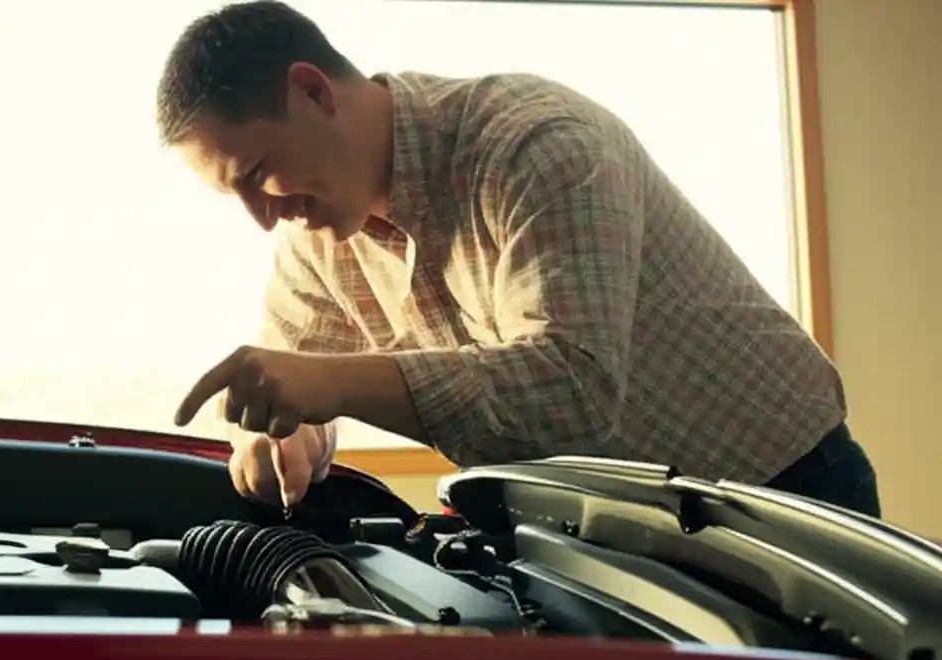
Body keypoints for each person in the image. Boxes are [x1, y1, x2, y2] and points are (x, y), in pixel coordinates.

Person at [156, 0, 881, 517]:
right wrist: (278, 433)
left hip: (784, 496)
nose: (261, 218)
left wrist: (329, 385)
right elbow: (296, 376)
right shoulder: (313, 234)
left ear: (312, 92)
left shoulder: (536, 143)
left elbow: (574, 389)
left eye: (257, 175)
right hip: (606, 529)